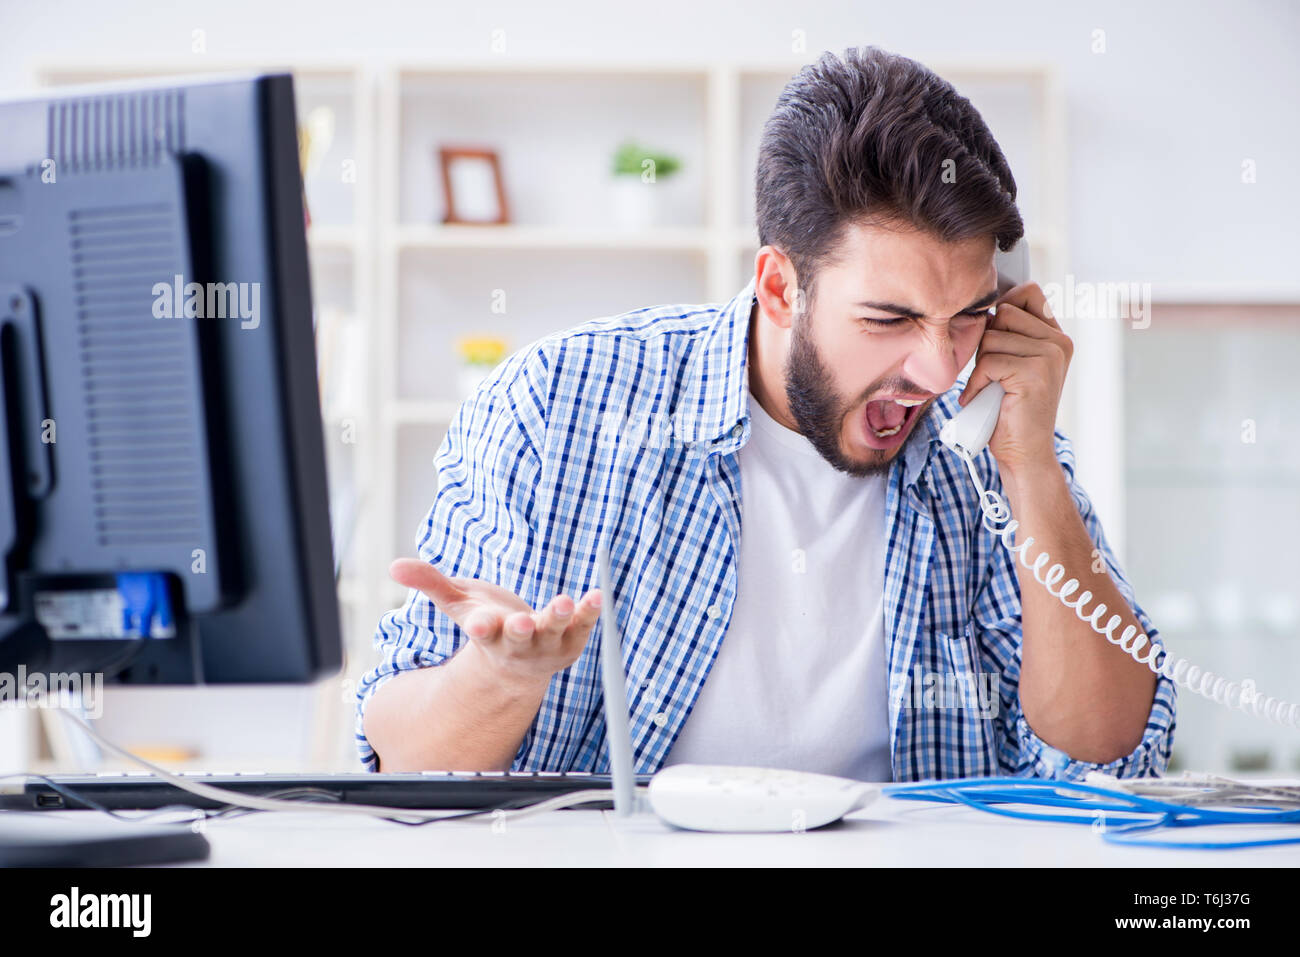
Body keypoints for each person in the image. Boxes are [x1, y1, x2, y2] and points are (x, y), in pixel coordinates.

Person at [357, 45, 1175, 781]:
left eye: (967, 314)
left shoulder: (990, 445)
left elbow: (1108, 753)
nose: (937, 369)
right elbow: (404, 760)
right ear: (781, 287)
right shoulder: (556, 404)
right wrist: (500, 678)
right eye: (888, 319)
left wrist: (1029, 463)